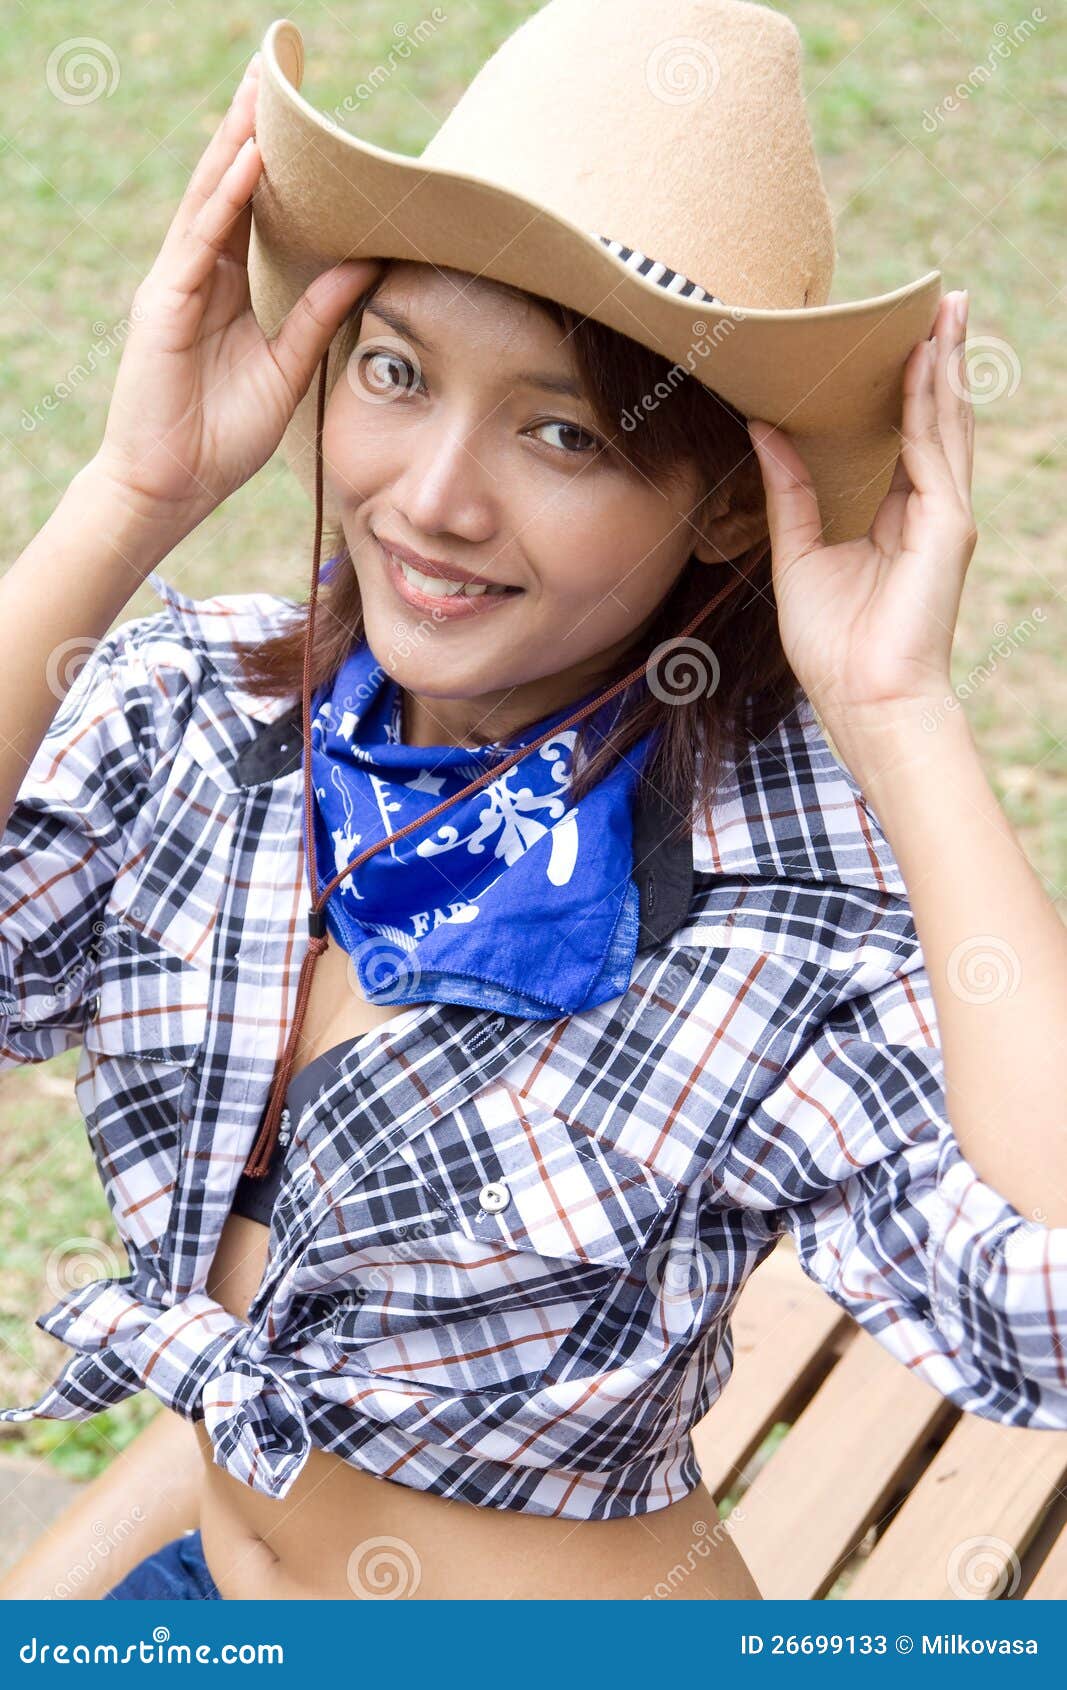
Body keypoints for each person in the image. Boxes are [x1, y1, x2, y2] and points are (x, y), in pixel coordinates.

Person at [1, 2, 1064, 1603]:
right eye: (397, 371)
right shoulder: (209, 719)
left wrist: (904, 717)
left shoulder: (777, 905)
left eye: (563, 428)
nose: (434, 497)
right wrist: (124, 499)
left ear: (719, 502)